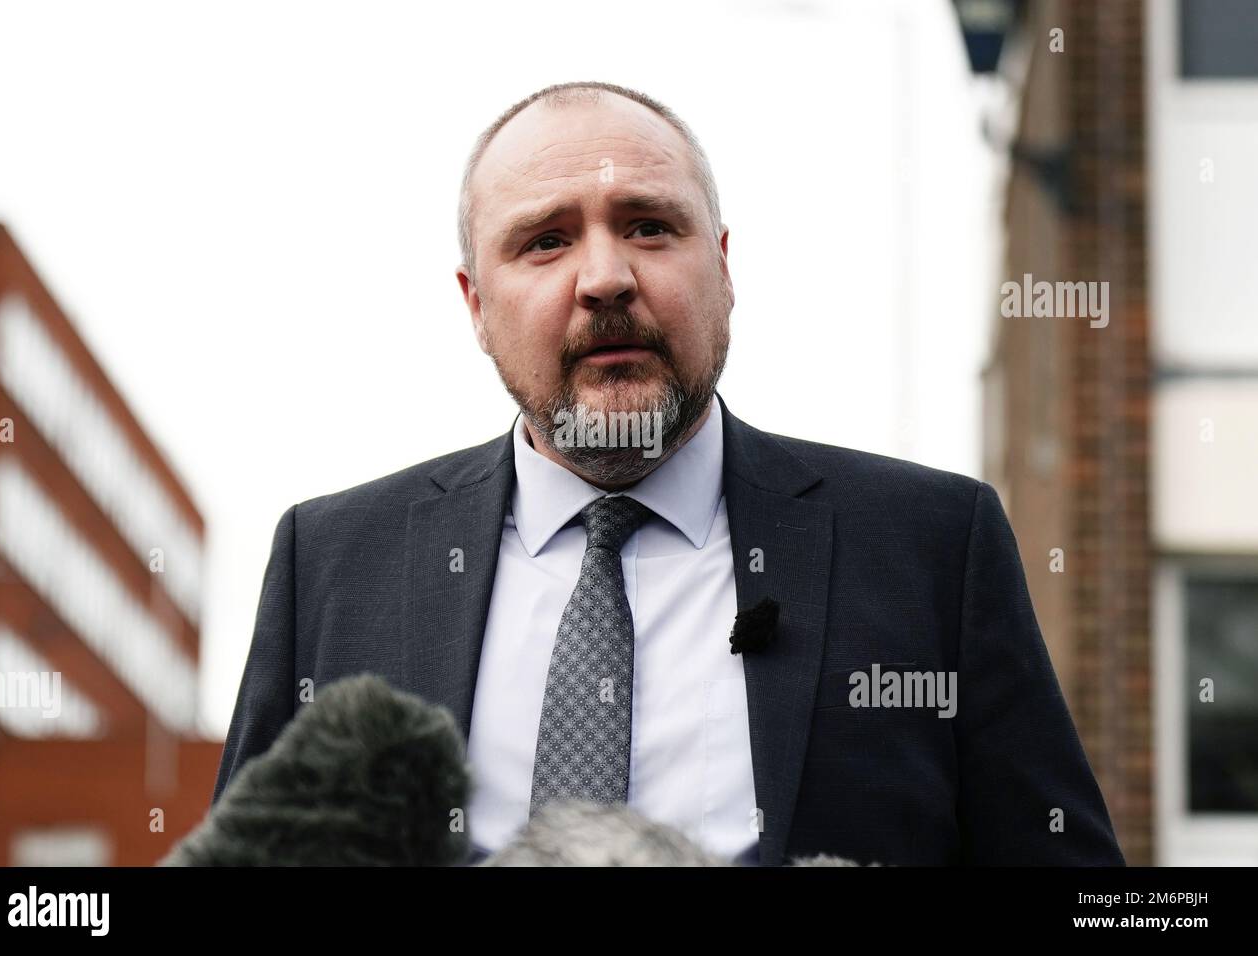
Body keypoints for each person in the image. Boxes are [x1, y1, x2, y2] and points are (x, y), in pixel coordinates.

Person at [213, 80, 1125, 866]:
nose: (605, 278)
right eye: (545, 241)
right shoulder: (331, 563)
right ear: (476, 305)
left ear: (724, 268)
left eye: (650, 227)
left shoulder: (931, 545)